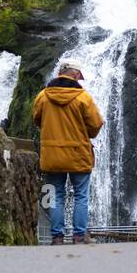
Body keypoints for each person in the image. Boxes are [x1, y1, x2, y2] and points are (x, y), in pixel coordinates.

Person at [32, 59, 103, 245]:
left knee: (55, 195)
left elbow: (36, 119)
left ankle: (57, 237)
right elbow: (96, 125)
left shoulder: (43, 96)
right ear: (76, 75)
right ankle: (79, 236)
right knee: (81, 195)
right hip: (78, 153)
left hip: (52, 155)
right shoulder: (83, 97)